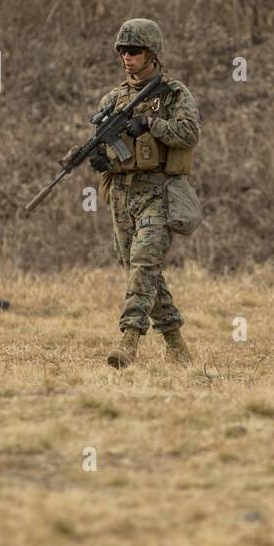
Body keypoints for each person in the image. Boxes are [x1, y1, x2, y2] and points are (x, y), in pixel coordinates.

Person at [85, 19, 202, 368]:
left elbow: (189, 133)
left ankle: (129, 341)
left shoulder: (173, 94)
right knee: (141, 270)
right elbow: (103, 144)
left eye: (134, 50)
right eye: (122, 51)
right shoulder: (113, 99)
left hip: (159, 193)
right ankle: (176, 345)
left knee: (143, 264)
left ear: (151, 53)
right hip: (122, 195)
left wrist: (151, 123)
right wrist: (101, 159)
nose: (127, 57)